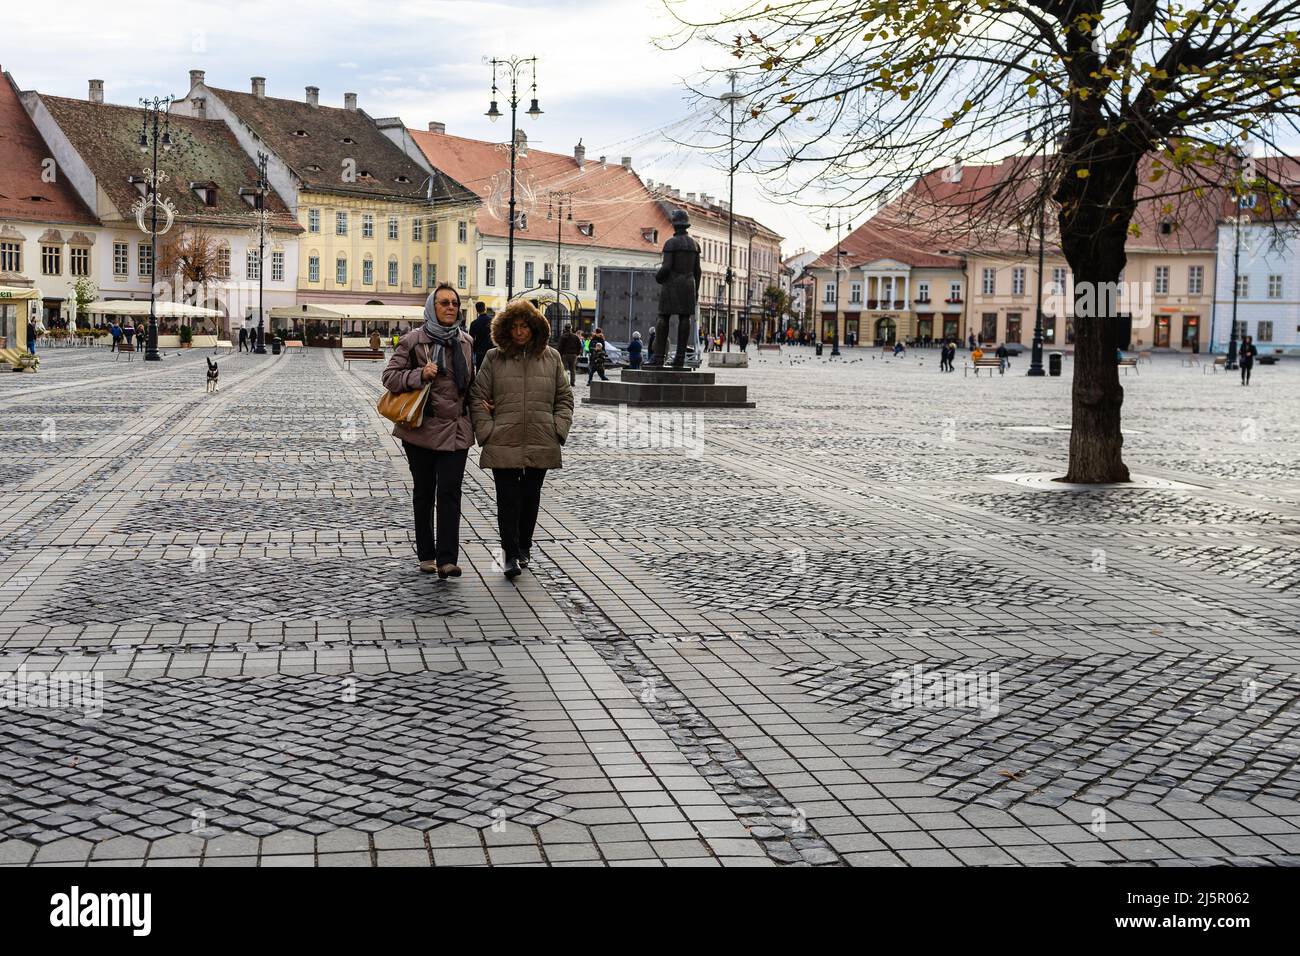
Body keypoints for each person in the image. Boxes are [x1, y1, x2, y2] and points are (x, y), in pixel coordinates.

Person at [470, 300, 573, 579]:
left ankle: (524, 545)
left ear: (534, 327)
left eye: (524, 326)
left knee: (530, 496)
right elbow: (478, 396)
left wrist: (558, 428)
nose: (519, 332)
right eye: (514, 326)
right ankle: (510, 554)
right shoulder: (494, 357)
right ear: (505, 329)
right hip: (504, 438)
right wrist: (487, 431)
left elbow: (564, 398)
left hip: (541, 436)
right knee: (507, 499)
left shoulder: (551, 357)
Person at [381, 283, 475, 579]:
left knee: (450, 493)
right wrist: (419, 374)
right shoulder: (413, 341)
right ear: (432, 307)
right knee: (424, 492)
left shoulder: (466, 341)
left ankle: (448, 559)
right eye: (444, 302)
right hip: (421, 430)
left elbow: (470, 383)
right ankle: (426, 554)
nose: (451, 307)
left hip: (457, 429)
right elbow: (389, 378)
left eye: (455, 303)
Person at [469, 300, 493, 371]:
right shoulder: (492, 321)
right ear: (485, 308)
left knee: (479, 371)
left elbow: (471, 339)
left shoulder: (474, 323)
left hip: (479, 352)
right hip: (491, 350)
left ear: (477, 310)